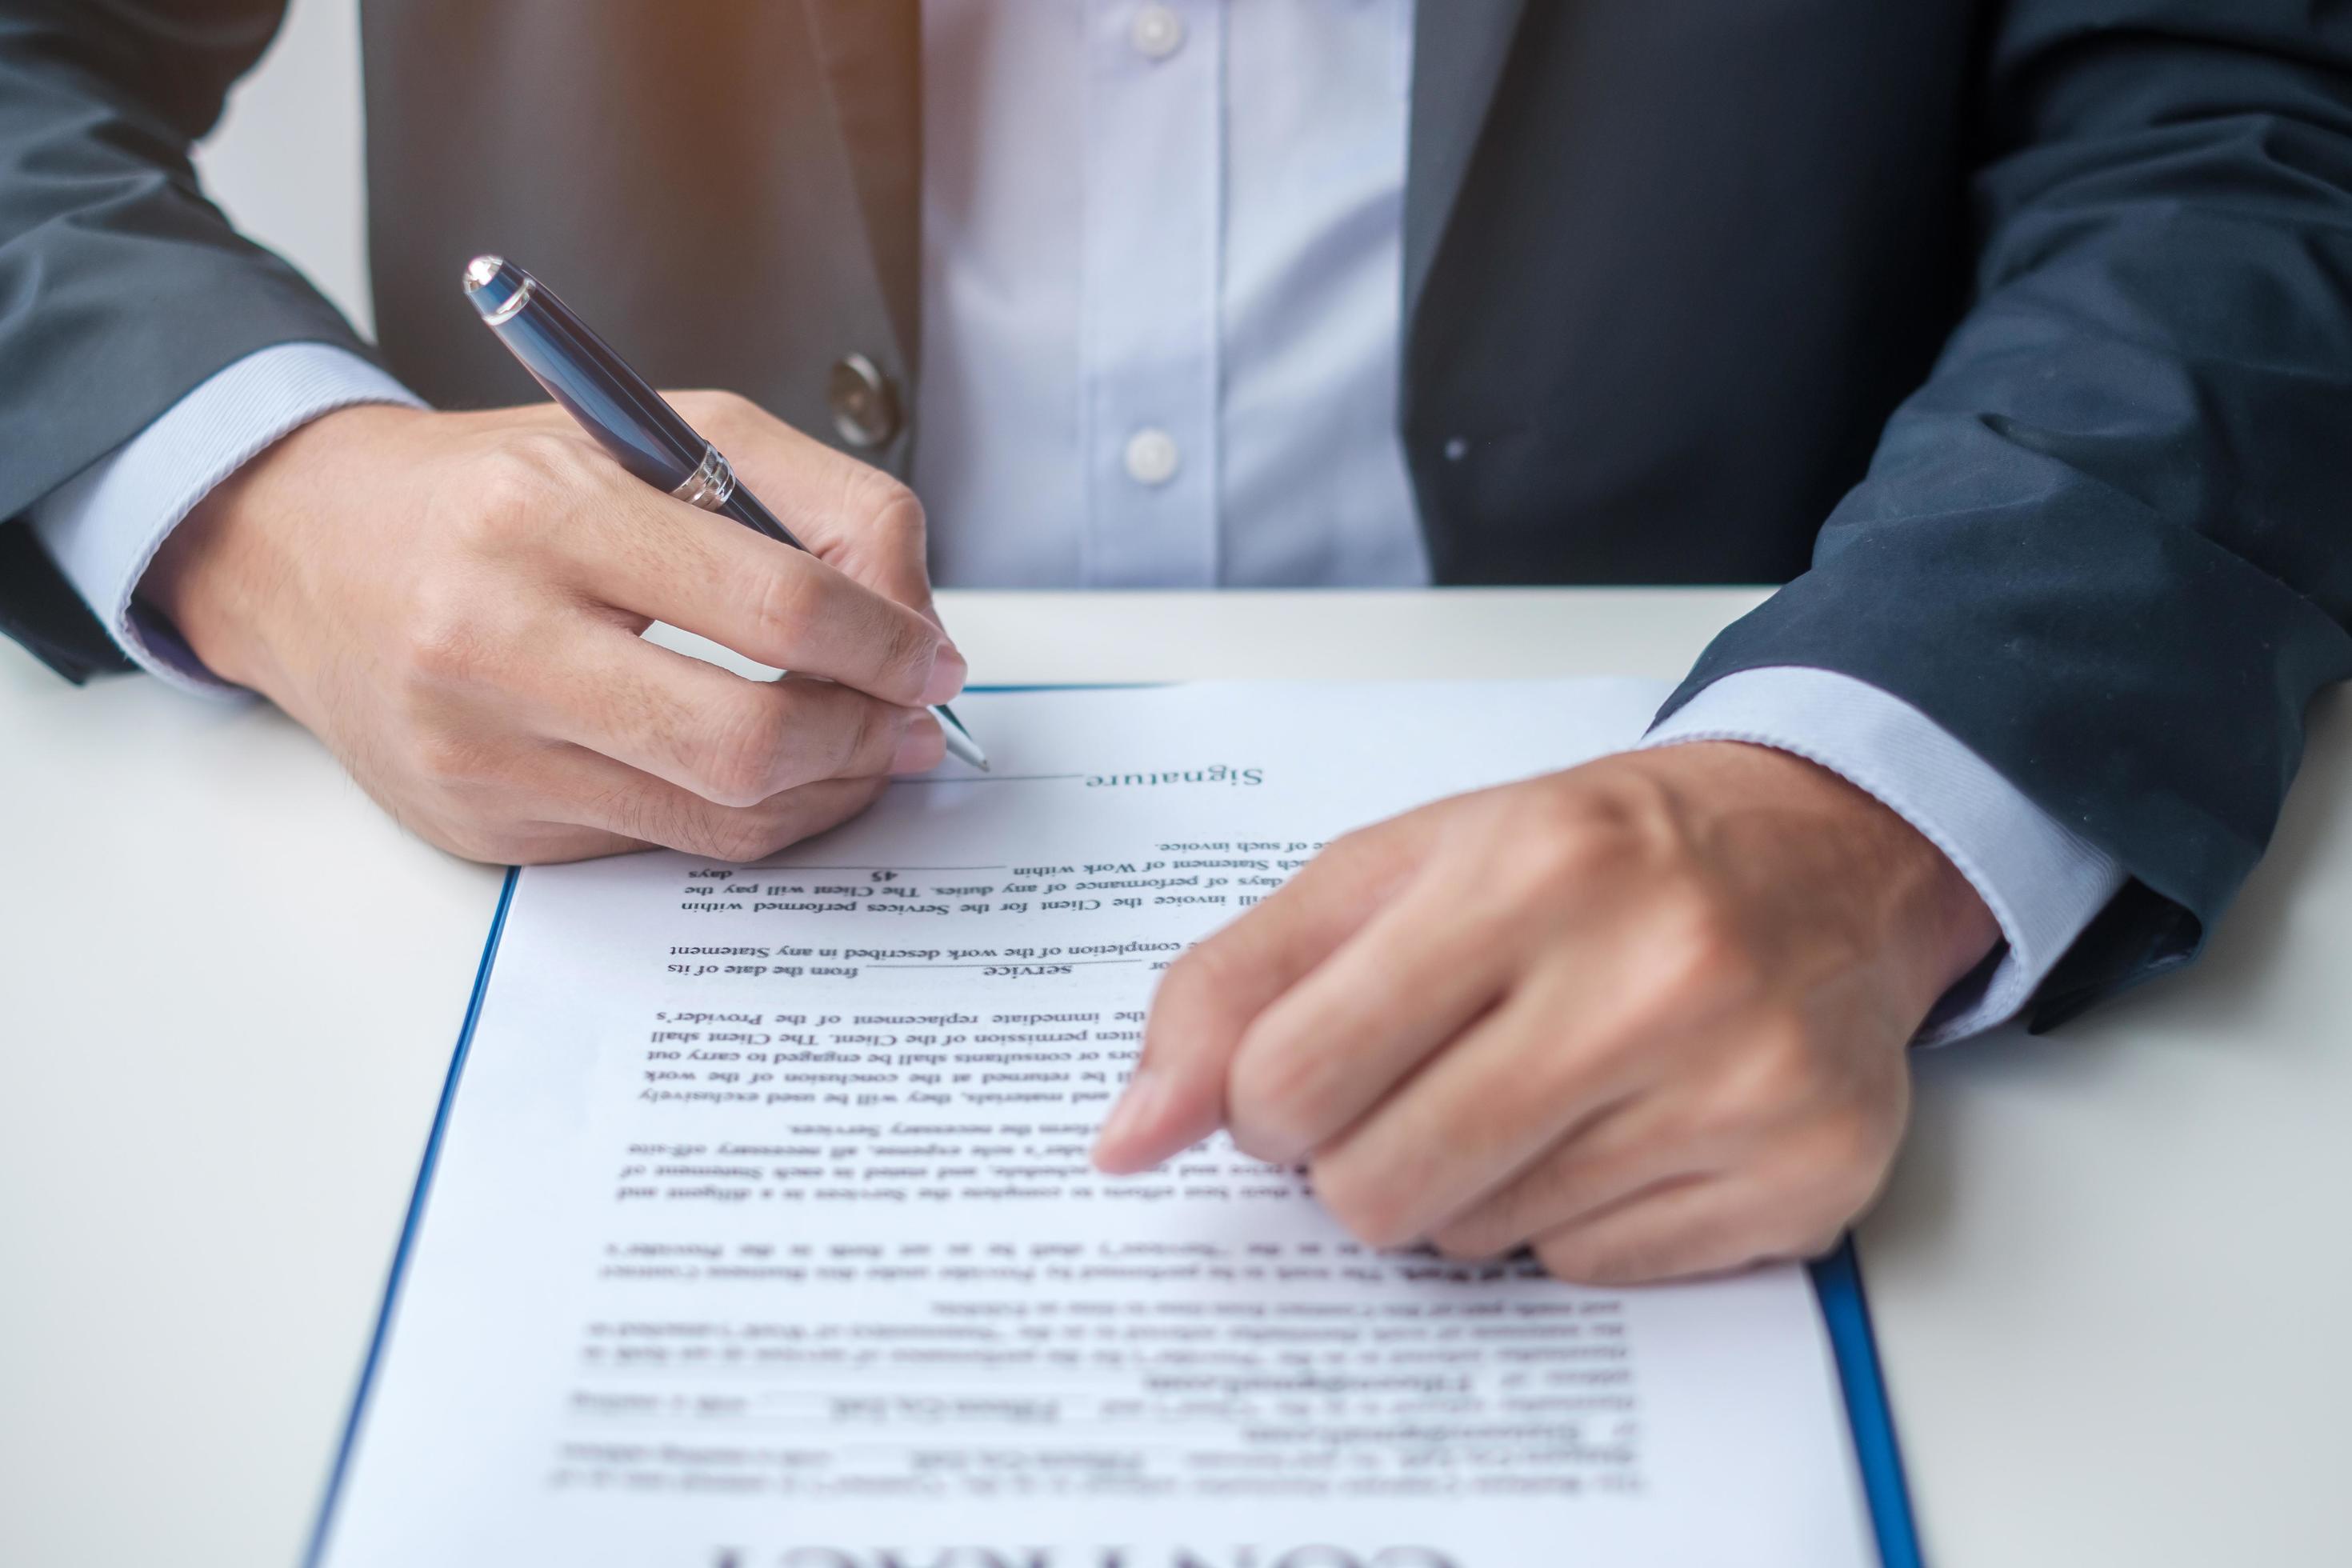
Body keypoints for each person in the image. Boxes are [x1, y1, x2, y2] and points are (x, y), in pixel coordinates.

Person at [5, 1, 2349, 1285]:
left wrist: (1872, 804)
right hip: (480, 974)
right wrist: (272, 501)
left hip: (1814, 864)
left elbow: (2242, 132)